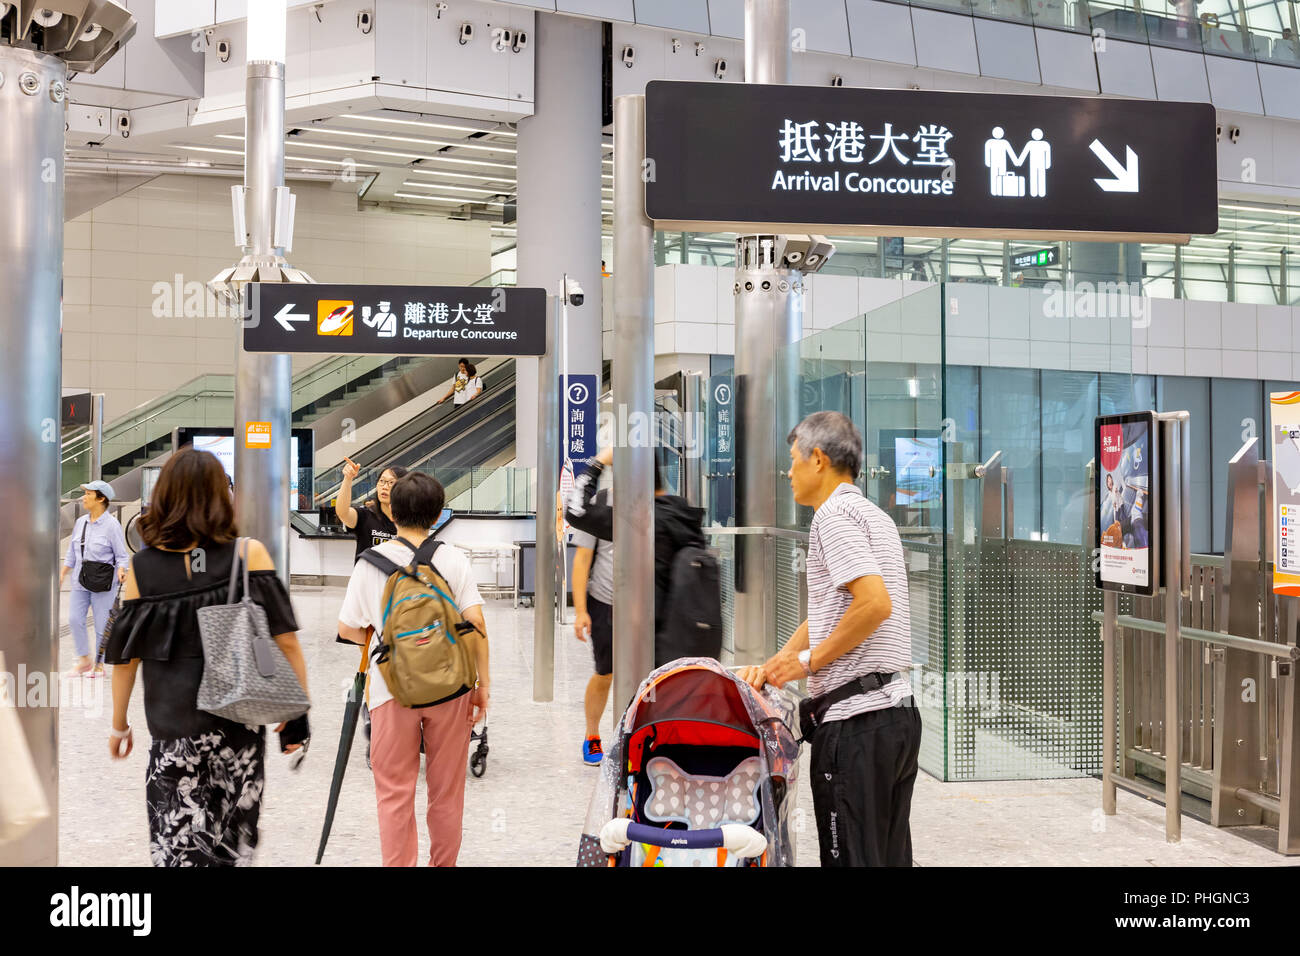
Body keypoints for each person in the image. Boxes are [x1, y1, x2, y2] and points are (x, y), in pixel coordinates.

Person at [103, 447, 309, 867]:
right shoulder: (248, 555)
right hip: (239, 730)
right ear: (221, 496)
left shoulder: (142, 570)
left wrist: (119, 725)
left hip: (174, 736)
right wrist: (296, 711)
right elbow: (286, 642)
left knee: (177, 851)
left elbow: (126, 661)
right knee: (231, 850)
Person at [740, 411, 920, 867]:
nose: (788, 471)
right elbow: (829, 612)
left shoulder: (833, 516)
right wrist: (777, 662)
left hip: (857, 727)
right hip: (896, 718)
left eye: (792, 459)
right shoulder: (872, 515)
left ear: (818, 459)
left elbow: (874, 605)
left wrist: (808, 662)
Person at [337, 472, 490, 867]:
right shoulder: (453, 559)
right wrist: (482, 686)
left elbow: (346, 628)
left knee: (394, 793)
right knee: (446, 792)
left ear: (393, 511)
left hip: (390, 689)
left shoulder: (370, 563)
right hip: (451, 688)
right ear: (438, 515)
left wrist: (382, 640)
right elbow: (476, 626)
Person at [565, 446, 707, 665]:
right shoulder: (683, 512)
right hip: (682, 629)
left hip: (642, 630)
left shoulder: (637, 520)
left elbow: (574, 510)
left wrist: (598, 462)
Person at [61, 480, 129, 678]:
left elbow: (122, 555)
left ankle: (99, 665)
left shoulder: (112, 525)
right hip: (80, 580)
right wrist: (63, 572)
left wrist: (122, 570)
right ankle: (84, 660)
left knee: (101, 624)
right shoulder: (81, 522)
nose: (84, 497)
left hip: (104, 582)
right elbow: (72, 553)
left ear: (101, 499)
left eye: (89, 494)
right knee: (74, 619)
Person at [571, 477, 615, 766]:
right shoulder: (600, 502)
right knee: (605, 672)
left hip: (649, 605)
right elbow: (582, 560)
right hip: (605, 602)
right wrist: (580, 610)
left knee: (649, 677)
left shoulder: (657, 501)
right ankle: (592, 734)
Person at [336, 459, 408, 563]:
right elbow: (343, 513)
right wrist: (348, 479)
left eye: (391, 483)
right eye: (382, 481)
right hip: (368, 577)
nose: (385, 487)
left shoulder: (409, 521)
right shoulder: (366, 515)